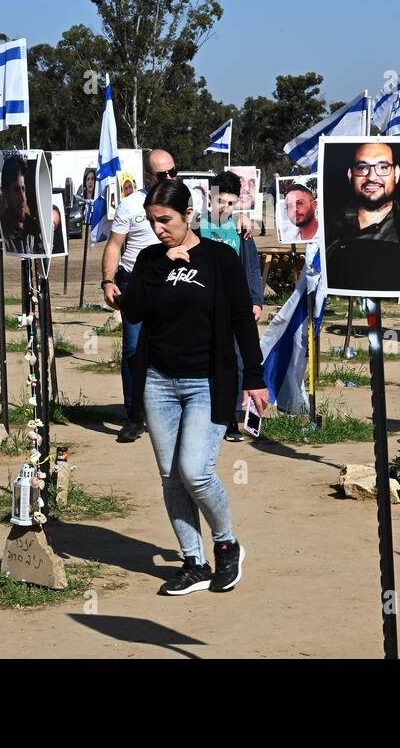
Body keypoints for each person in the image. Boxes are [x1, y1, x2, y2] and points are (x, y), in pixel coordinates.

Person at [117, 179, 267, 596]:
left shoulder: (220, 258)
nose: (158, 228)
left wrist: (254, 378)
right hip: (159, 383)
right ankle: (193, 562)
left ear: (188, 215)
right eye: (151, 221)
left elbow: (241, 321)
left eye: (165, 220)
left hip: (208, 382)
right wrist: (165, 265)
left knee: (195, 472)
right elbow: (133, 309)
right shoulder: (150, 260)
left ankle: (226, 544)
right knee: (170, 478)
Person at [102, 149, 178, 443]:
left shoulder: (182, 199)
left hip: (173, 280)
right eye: (163, 175)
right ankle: (134, 417)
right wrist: (108, 281)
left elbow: (207, 228)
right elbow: (114, 245)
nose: (170, 178)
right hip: (135, 281)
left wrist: (243, 224)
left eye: (173, 171)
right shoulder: (131, 205)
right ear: (148, 176)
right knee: (134, 349)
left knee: (175, 346)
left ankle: (171, 414)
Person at [198, 171, 264, 442]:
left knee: (236, 361)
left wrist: (256, 300)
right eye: (220, 201)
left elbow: (252, 268)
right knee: (206, 361)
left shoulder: (241, 230)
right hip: (203, 305)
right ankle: (204, 415)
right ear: (210, 198)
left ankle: (231, 419)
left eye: (230, 203)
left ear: (238, 203)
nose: (224, 207)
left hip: (234, 306)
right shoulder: (196, 227)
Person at [325, 141, 400, 292]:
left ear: (397, 174)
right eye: (362, 168)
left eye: (383, 167)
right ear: (350, 175)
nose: (372, 177)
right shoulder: (326, 227)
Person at [0, 153, 45, 256]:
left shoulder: (34, 229)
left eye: (23, 189)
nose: (22, 198)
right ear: (5, 193)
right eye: (16, 190)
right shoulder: (3, 231)